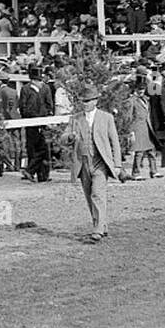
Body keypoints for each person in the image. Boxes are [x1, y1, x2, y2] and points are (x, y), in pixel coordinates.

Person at [68, 85, 122, 243]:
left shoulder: (106, 118)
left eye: (87, 101)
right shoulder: (75, 119)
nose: (84, 103)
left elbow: (115, 142)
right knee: (89, 196)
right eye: (82, 101)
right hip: (83, 162)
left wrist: (117, 164)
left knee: (97, 194)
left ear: (95, 101)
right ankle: (101, 225)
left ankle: (97, 229)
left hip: (100, 162)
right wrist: (70, 137)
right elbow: (64, 137)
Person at [19, 65, 54, 182]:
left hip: (43, 122)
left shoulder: (46, 89)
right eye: (38, 80)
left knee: (44, 149)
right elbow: (23, 106)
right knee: (32, 148)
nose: (41, 82)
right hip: (31, 123)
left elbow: (49, 104)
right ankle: (31, 172)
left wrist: (48, 118)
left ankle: (42, 174)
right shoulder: (26, 89)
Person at [128, 79, 159, 179]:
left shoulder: (146, 99)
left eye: (142, 89)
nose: (141, 91)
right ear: (135, 90)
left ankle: (154, 171)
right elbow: (129, 116)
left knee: (151, 150)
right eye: (139, 90)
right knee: (139, 152)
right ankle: (135, 173)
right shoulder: (132, 101)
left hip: (147, 127)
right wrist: (131, 131)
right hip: (138, 128)